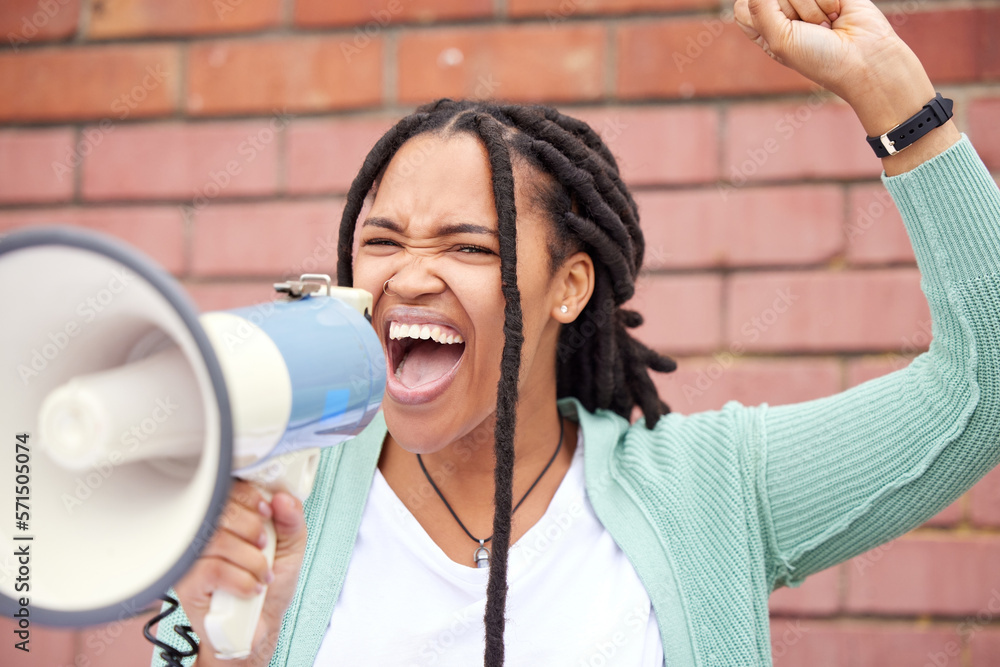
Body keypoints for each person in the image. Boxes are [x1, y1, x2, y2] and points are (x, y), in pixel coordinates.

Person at [152, 0, 1000, 663]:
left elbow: (982, 386)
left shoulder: (712, 494)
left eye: (467, 245)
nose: (407, 275)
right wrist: (231, 658)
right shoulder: (278, 498)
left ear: (569, 286)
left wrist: (891, 90)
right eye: (381, 241)